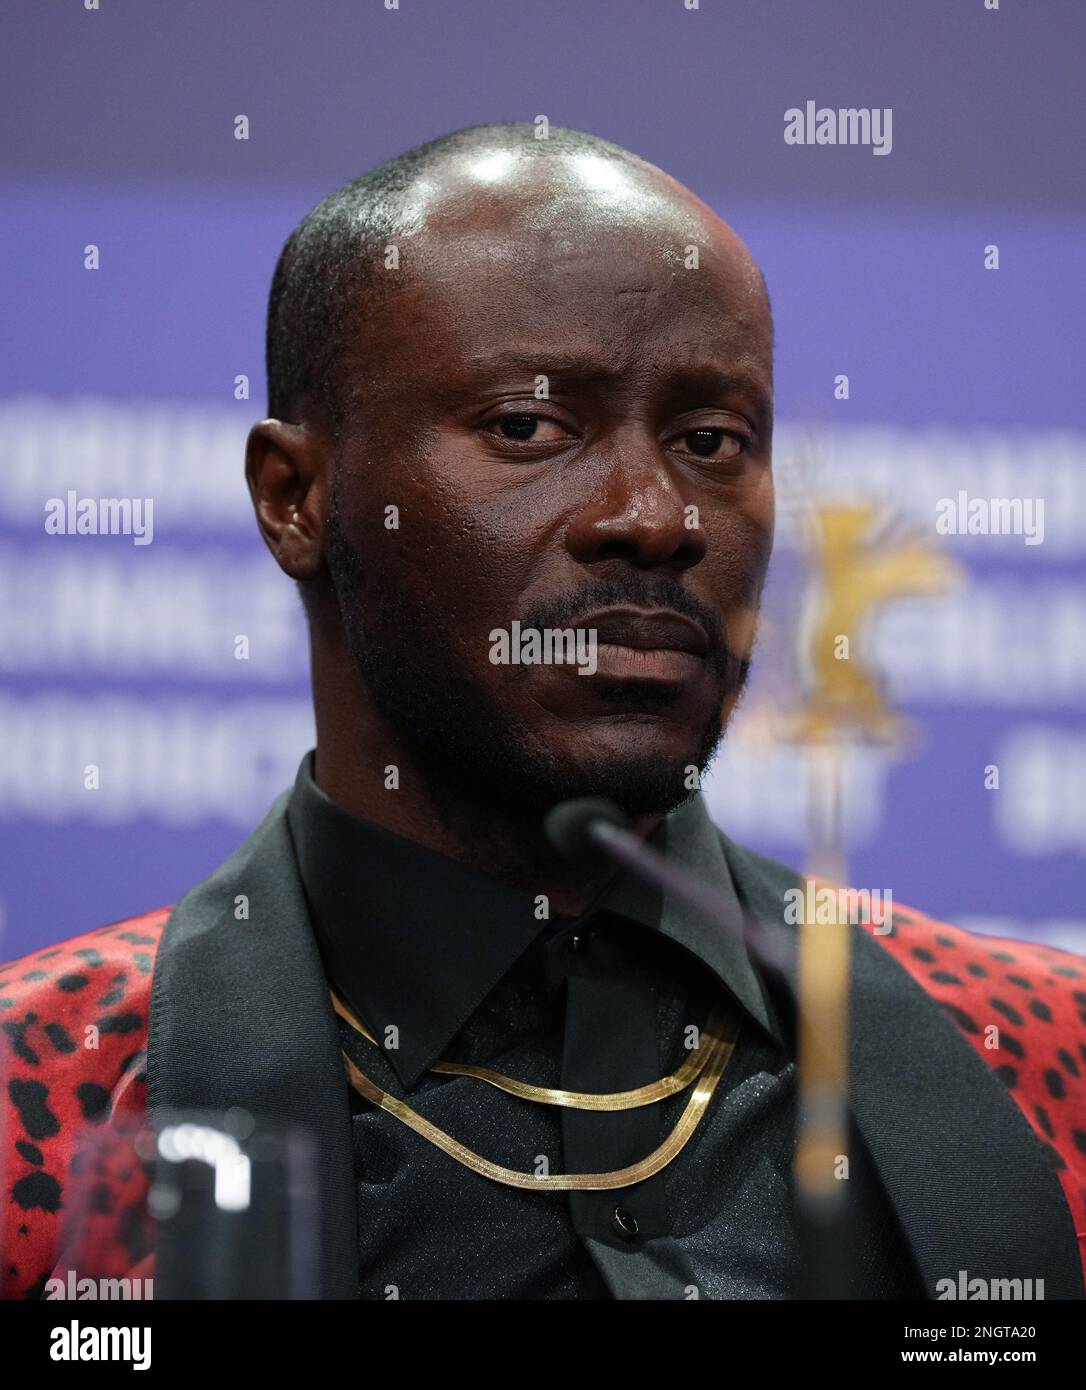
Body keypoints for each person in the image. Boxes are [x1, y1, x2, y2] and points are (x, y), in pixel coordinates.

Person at [3, 123, 1084, 1301]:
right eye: (527, 426)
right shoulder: (44, 1107)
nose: (656, 515)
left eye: (712, 439)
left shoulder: (1039, 1065)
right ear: (295, 498)